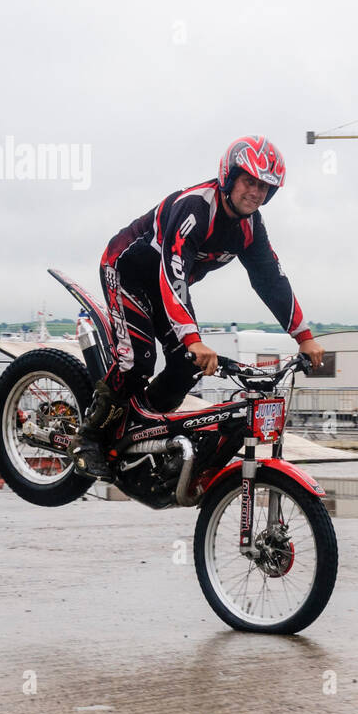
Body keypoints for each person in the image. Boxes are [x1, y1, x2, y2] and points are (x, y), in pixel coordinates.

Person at [69, 135, 324, 478]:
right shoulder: (196, 207)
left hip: (166, 286)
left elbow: (270, 280)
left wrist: (303, 336)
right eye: (250, 181)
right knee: (137, 361)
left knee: (186, 367)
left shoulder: (251, 227)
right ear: (229, 176)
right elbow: (172, 269)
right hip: (125, 270)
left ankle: (140, 433)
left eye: (265, 187)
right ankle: (87, 439)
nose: (256, 192)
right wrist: (193, 339)